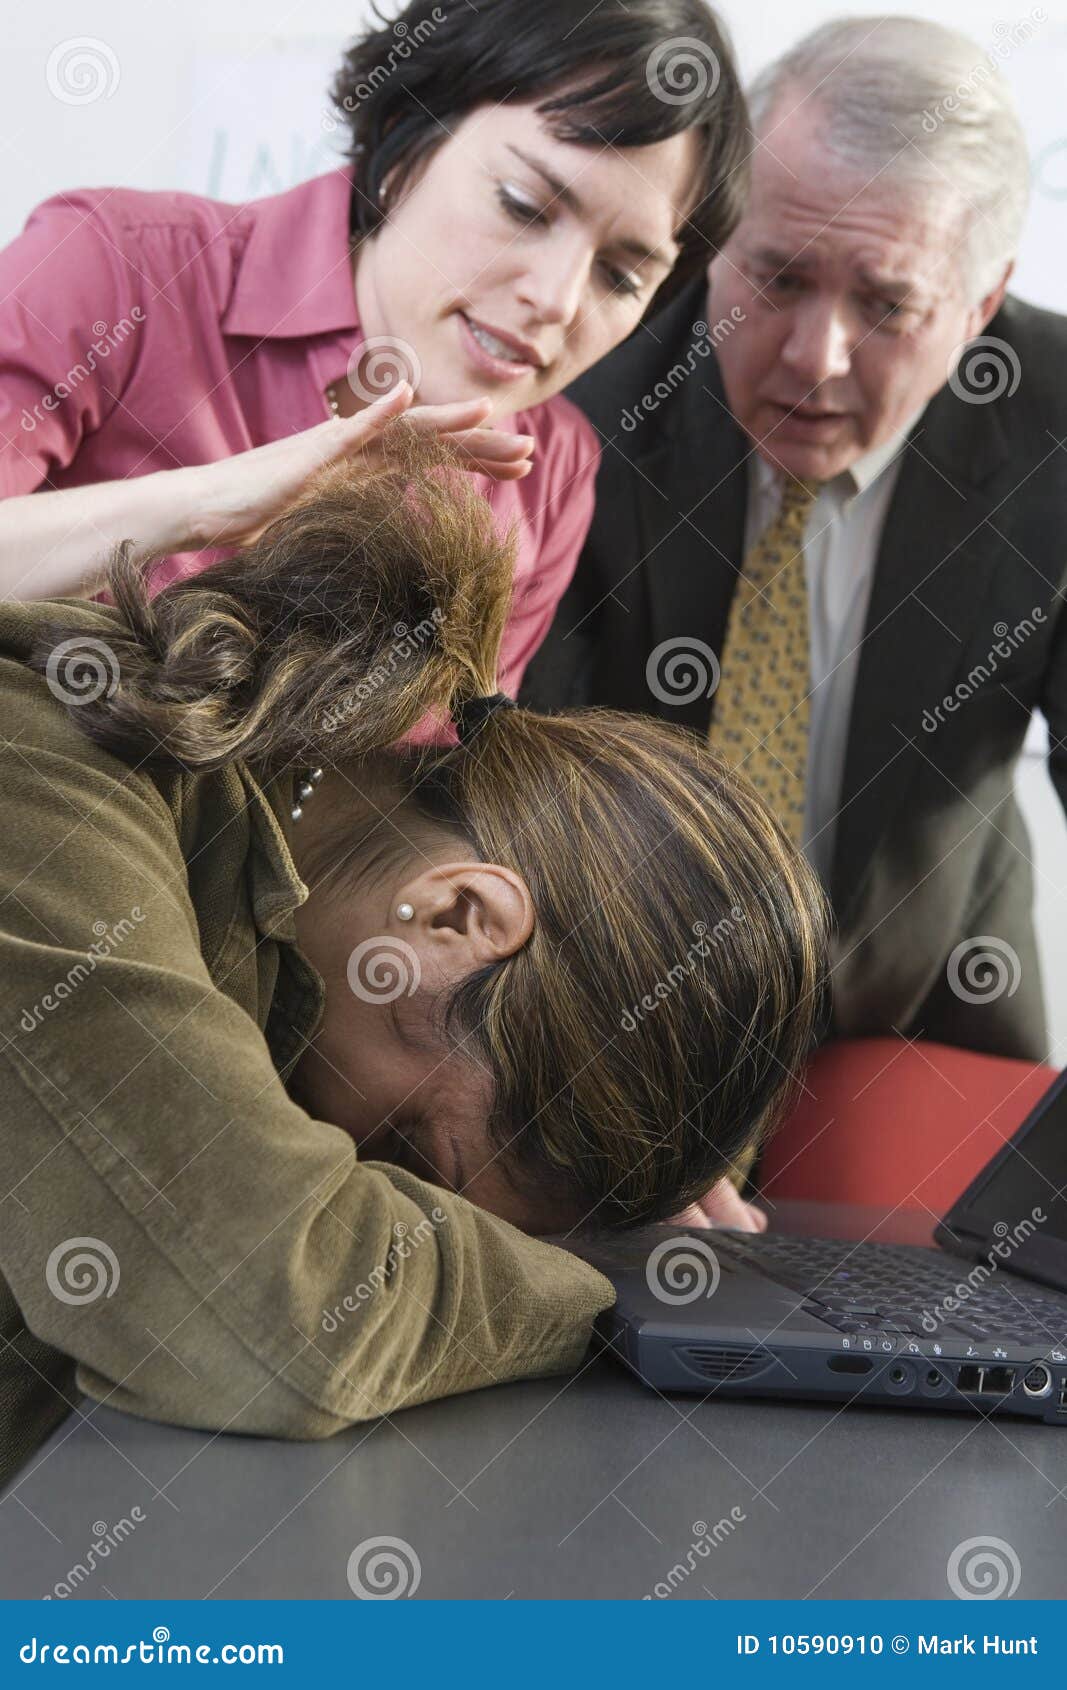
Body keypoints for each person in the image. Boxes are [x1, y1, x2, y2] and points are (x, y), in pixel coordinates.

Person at [0, 417, 829, 1487]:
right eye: (406, 1154)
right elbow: (271, 1315)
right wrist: (599, 1283)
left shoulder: (245, 870)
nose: (362, 1183)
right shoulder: (45, 770)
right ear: (456, 918)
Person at [522, 16, 1067, 1062]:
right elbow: (517, 793)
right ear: (713, 235)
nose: (815, 358)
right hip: (611, 1011)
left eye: (885, 304)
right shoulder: (578, 391)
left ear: (976, 306)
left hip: (926, 1010)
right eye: (776, 279)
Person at [0, 0, 748, 718]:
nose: (555, 300)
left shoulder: (547, 469)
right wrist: (204, 505)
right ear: (402, 137)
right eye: (523, 206)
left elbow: (429, 788)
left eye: (620, 276)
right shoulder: (116, 266)